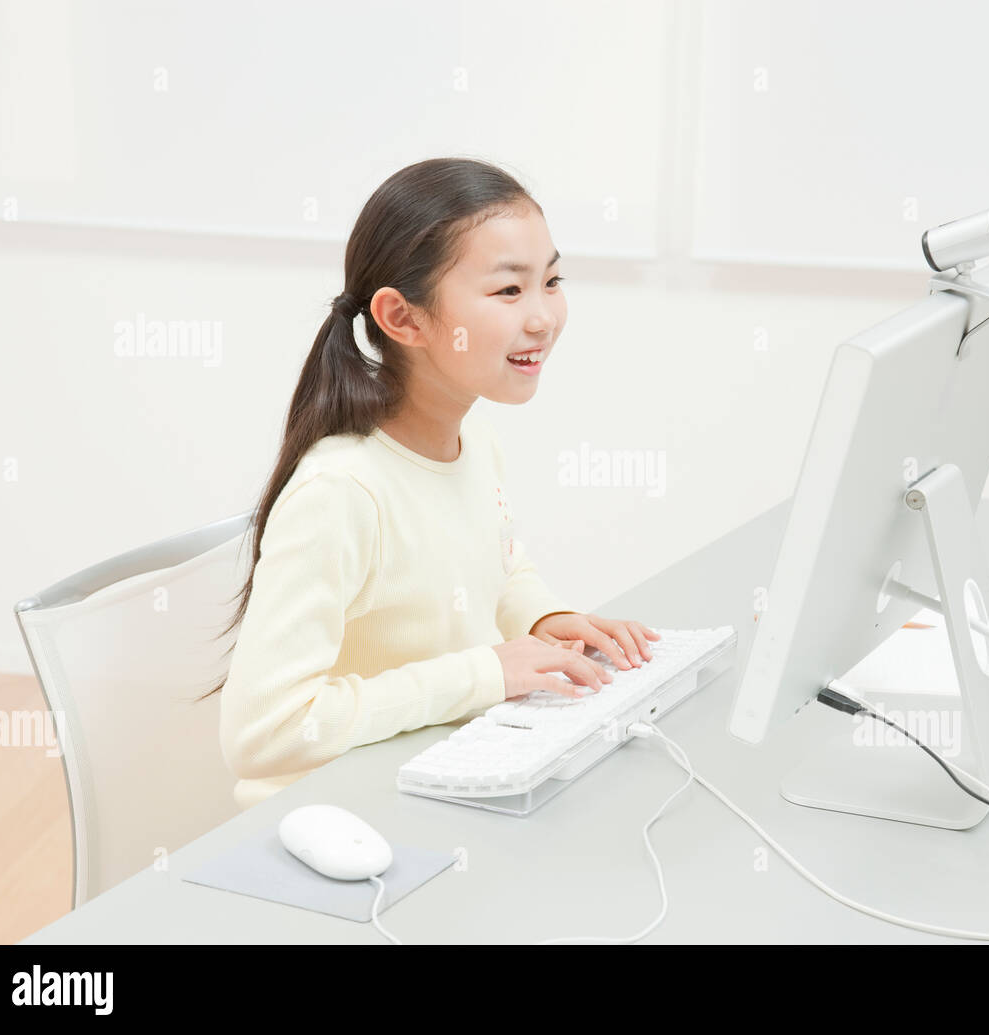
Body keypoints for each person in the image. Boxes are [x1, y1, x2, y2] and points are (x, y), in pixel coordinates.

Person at [203, 157, 659, 810]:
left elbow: (496, 560)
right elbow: (264, 733)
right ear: (404, 318)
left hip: (433, 775)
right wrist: (486, 672)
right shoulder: (341, 493)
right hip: (337, 818)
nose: (543, 318)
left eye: (551, 280)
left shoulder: (472, 439)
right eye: (508, 292)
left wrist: (546, 618)